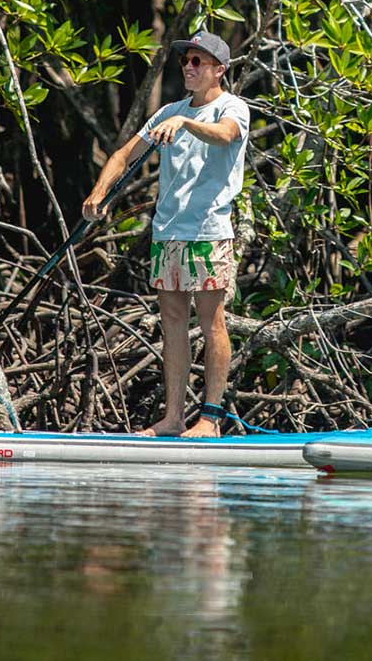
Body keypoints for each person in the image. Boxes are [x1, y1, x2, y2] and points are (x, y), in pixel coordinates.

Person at [82, 31, 250, 437]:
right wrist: (99, 192)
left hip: (208, 232)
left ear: (218, 70)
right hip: (167, 232)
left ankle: (209, 419)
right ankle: (173, 418)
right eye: (185, 61)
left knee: (212, 322)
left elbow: (225, 134)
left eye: (197, 61)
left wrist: (186, 123)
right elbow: (124, 155)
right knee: (172, 322)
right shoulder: (168, 112)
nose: (188, 67)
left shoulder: (232, 107)